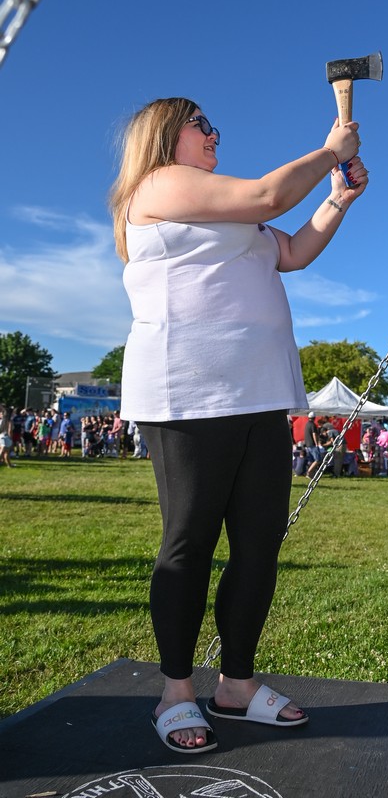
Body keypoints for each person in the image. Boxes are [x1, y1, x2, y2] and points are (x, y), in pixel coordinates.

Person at [110, 96, 367, 753]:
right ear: (164, 135)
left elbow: (294, 250)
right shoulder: (157, 186)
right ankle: (175, 692)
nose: (214, 134)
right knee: (190, 542)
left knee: (257, 544)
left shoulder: (231, 216)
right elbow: (266, 194)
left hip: (261, 391)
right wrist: (330, 151)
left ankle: (236, 684)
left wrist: (338, 199)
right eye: (202, 125)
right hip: (188, 393)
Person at [303, 411, 323, 478]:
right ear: (314, 418)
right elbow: (314, 434)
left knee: (312, 460)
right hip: (312, 444)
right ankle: (308, 472)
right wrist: (316, 443)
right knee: (318, 459)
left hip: (308, 444)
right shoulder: (313, 425)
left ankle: (311, 474)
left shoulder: (307, 424)